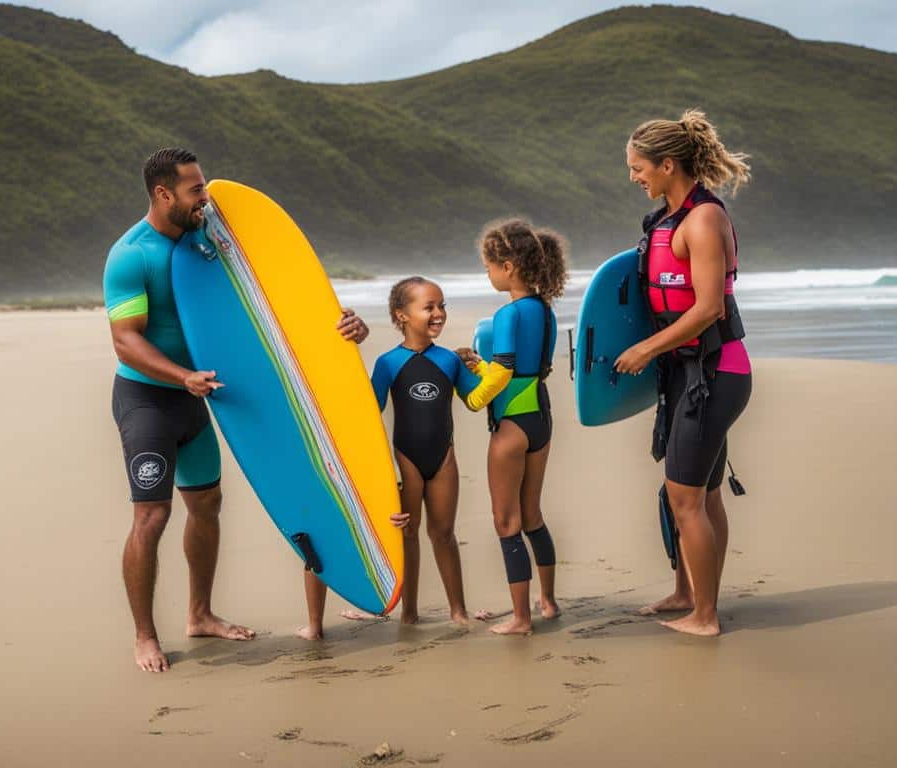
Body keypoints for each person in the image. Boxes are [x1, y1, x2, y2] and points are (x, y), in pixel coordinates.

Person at [104, 147, 370, 671]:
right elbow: (125, 342)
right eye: (194, 190)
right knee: (152, 515)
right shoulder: (132, 255)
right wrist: (182, 377)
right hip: (149, 400)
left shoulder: (213, 242)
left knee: (206, 505)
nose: (205, 198)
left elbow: (277, 303)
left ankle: (199, 615)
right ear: (163, 194)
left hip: (198, 395)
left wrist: (343, 326)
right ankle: (144, 636)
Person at [614, 109, 753, 637]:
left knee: (685, 497)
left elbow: (709, 308)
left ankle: (705, 616)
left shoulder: (703, 220)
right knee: (702, 492)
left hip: (716, 374)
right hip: (686, 372)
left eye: (638, 167)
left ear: (667, 164)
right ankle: (686, 593)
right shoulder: (664, 221)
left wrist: (645, 350)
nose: (634, 177)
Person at [298, 277, 489, 639]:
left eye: (442, 305)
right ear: (402, 315)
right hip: (406, 461)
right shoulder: (388, 363)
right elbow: (369, 412)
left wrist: (480, 364)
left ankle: (458, 609)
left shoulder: (449, 360)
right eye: (428, 307)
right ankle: (409, 612)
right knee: (409, 536)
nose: (438, 313)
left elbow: (477, 399)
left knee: (444, 534)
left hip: (444, 458)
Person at [465, 218, 567, 635]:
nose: (488, 274)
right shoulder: (544, 310)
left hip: (512, 424)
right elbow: (528, 369)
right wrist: (481, 366)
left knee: (506, 521)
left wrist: (474, 397)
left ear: (508, 266)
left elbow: (504, 371)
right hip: (540, 415)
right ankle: (547, 601)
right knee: (531, 515)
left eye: (489, 266)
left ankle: (521, 619)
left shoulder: (508, 312)